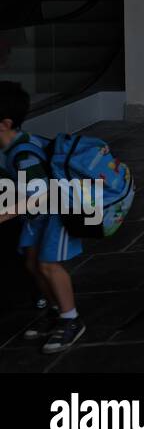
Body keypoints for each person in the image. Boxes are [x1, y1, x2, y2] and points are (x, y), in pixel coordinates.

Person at [0, 81, 86, 354]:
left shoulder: (24, 156)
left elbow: (40, 196)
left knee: (49, 266)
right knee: (33, 264)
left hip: (54, 217)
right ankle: (56, 311)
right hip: (38, 218)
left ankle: (71, 319)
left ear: (4, 123)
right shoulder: (16, 147)